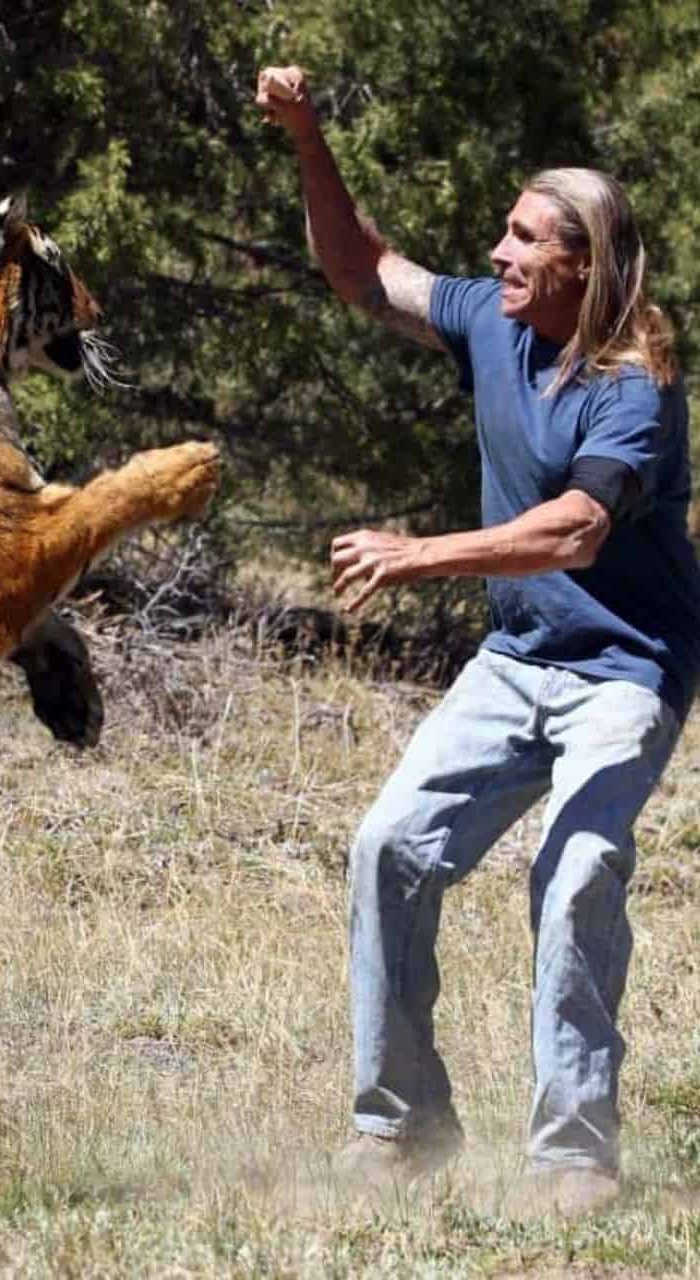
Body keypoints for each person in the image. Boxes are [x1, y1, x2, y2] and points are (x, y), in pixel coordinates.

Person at [257, 64, 700, 1212]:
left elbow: (575, 530)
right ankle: (399, 1126)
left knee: (574, 873)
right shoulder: (486, 322)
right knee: (387, 846)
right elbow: (359, 267)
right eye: (501, 233)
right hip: (514, 663)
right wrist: (306, 135)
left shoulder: (635, 385)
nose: (496, 253)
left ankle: (570, 1157)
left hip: (623, 671)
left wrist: (417, 552)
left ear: (581, 268)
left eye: (522, 239)